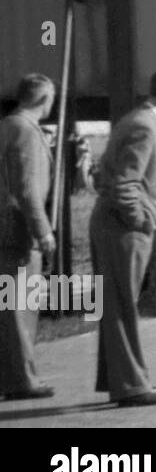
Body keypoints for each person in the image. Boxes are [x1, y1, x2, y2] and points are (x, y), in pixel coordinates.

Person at [91, 67, 156, 407]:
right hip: (123, 227)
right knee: (120, 306)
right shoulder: (146, 126)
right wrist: (142, 220)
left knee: (115, 305)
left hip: (114, 222)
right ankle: (131, 385)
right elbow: (126, 182)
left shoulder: (134, 120)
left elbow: (105, 173)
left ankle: (121, 379)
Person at [0, 74, 58, 401]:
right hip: (18, 233)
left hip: (5, 230)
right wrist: (43, 230)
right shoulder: (24, 130)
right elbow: (26, 188)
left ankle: (12, 376)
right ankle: (21, 379)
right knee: (20, 308)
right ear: (44, 99)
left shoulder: (7, 125)